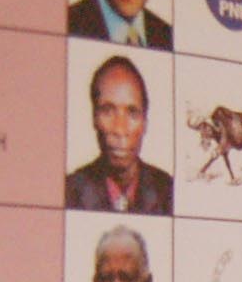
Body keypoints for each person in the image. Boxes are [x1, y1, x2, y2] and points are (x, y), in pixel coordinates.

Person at [64, 56, 175, 215]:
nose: (120, 129)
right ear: (94, 118)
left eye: (132, 113)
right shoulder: (69, 191)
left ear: (145, 123)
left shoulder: (169, 192)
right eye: (107, 111)